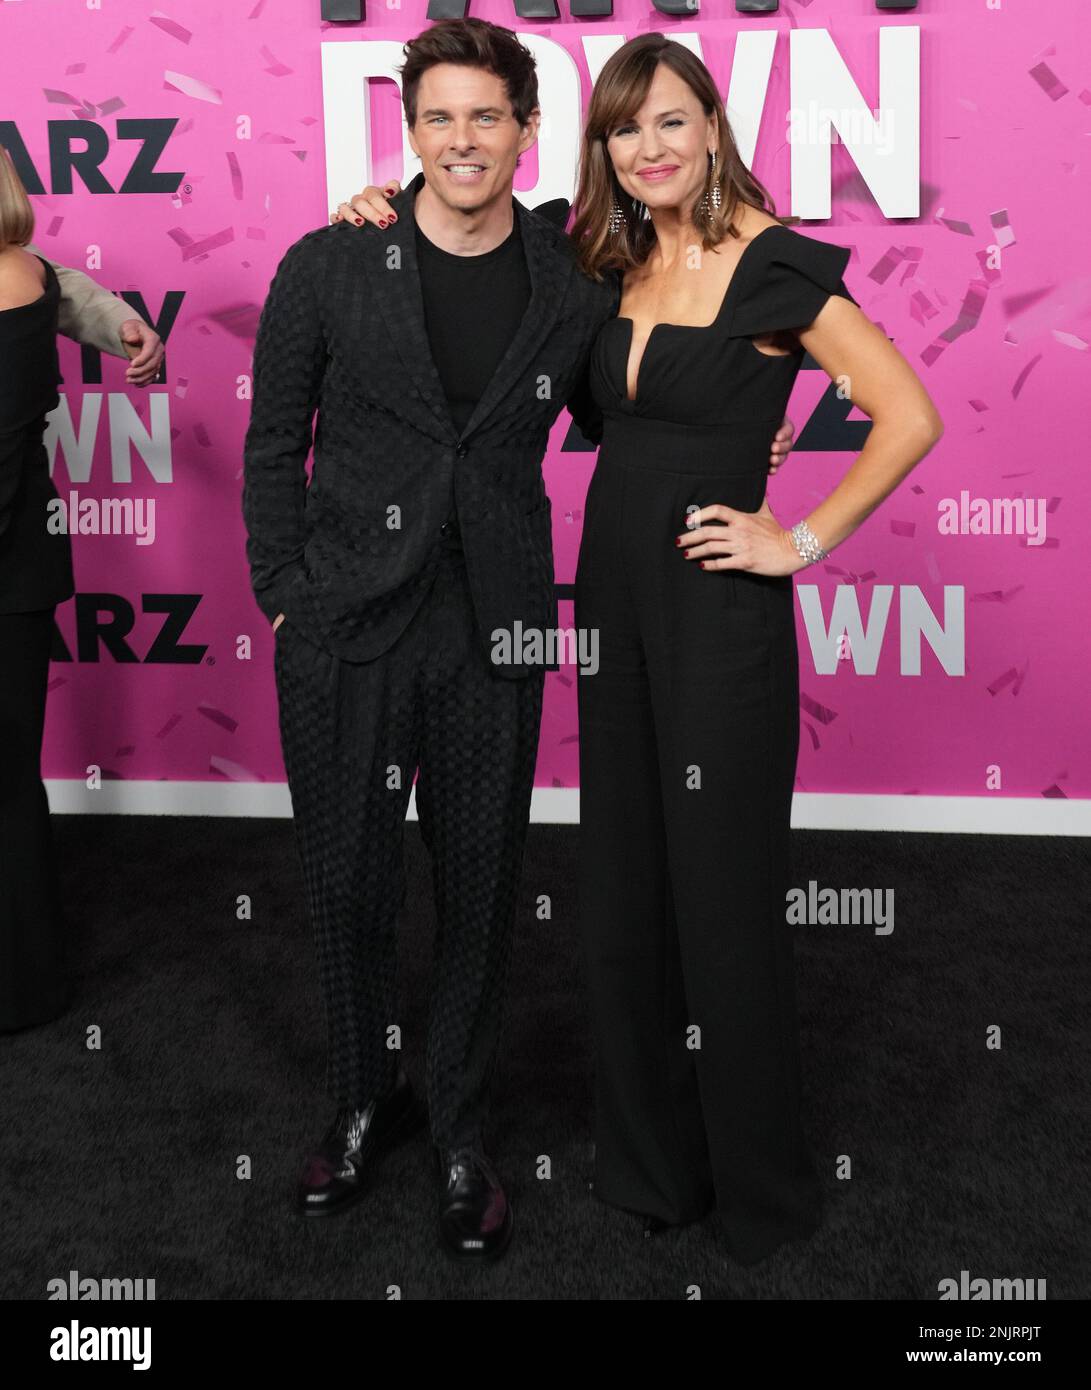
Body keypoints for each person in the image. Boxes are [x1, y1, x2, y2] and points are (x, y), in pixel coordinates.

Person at [337, 31, 944, 1266]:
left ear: (711, 127)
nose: (649, 147)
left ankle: (759, 1189)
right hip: (610, 602)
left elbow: (909, 413)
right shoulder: (597, 260)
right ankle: (650, 1166)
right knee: (620, 888)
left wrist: (798, 539)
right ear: (600, 147)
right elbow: (464, 214)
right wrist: (377, 210)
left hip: (716, 614)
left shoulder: (775, 267)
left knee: (721, 900)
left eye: (670, 121)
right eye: (624, 128)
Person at [243, 18, 796, 1263]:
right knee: (346, 879)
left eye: (484, 116)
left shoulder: (571, 273)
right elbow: (274, 439)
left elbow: (638, 394)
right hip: (343, 622)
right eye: (437, 117)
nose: (461, 139)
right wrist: (283, 592)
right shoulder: (331, 261)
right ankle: (360, 1099)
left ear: (525, 131)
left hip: (494, 626)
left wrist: (742, 431)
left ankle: (458, 1127)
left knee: (483, 883)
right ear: (409, 131)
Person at [0, 145, 164, 1033]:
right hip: (24, 565)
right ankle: (28, 982)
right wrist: (127, 325)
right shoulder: (28, 273)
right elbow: (65, 288)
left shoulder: (18, 279)